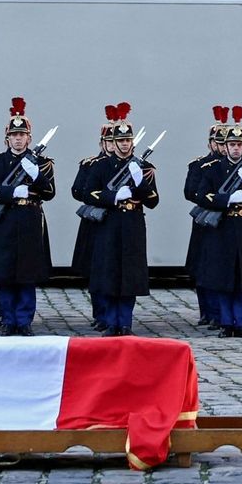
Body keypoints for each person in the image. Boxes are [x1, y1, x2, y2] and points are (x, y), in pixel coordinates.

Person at [0, 98, 55, 336]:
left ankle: (24, 319)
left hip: (30, 219)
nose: (18, 139)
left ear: (29, 138)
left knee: (27, 273)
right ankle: (8, 319)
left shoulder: (42, 163)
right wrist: (11, 192)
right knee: (5, 271)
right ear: (7, 138)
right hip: (5, 221)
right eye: (14, 135)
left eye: (22, 135)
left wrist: (37, 176)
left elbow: (49, 192)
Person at [82, 106, 159, 335]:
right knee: (109, 273)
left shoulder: (142, 167)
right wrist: (113, 196)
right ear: (112, 143)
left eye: (128, 140)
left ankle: (125, 322)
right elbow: (88, 193)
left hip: (133, 225)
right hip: (109, 225)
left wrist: (140, 183)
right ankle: (110, 321)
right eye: (120, 140)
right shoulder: (100, 166)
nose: (124, 144)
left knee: (130, 275)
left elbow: (154, 200)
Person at [192, 112, 242, 337]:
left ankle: (241, 323)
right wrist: (226, 200)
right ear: (224, 147)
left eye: (239, 144)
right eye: (232, 144)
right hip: (222, 227)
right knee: (223, 276)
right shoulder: (212, 170)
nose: (236, 148)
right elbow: (201, 196)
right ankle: (226, 323)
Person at [73, 105, 121, 330]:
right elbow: (78, 191)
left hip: (119, 221)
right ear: (102, 143)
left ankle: (113, 315)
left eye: (116, 141)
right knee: (97, 269)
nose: (113, 145)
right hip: (96, 221)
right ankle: (100, 313)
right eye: (108, 142)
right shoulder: (90, 164)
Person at [188, 107, 233, 329]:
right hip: (206, 221)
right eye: (218, 142)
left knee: (222, 268)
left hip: (230, 222)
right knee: (203, 268)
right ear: (210, 143)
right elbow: (190, 191)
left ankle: (220, 313)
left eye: (226, 142)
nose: (222, 147)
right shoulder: (200, 165)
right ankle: (207, 311)